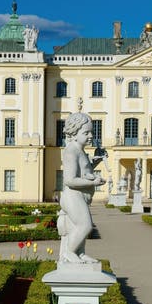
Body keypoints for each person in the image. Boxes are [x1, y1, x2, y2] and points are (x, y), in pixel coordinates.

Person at [58, 112, 105, 264]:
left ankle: (80, 253)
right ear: (74, 134)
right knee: (85, 225)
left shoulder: (80, 150)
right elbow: (70, 180)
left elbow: (84, 172)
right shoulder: (72, 151)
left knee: (79, 227)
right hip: (72, 196)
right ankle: (69, 252)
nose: (91, 135)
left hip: (79, 196)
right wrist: (93, 183)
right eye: (86, 132)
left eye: (92, 132)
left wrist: (95, 163)